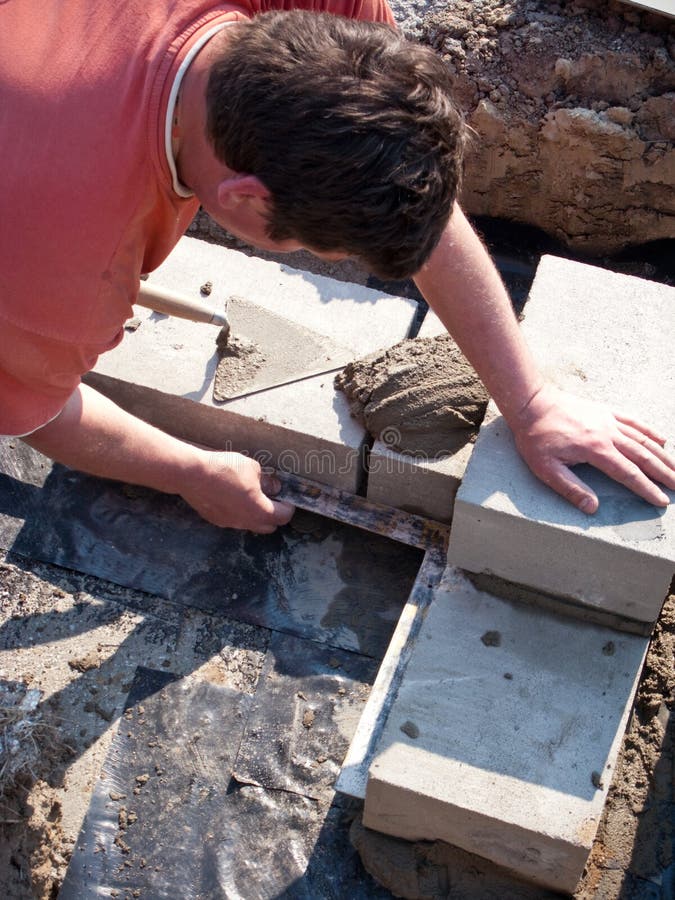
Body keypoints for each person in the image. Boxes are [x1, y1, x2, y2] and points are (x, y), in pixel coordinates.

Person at [1, 2, 673, 535]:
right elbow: (36, 411)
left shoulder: (329, 33)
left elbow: (408, 186)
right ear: (246, 197)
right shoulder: (60, 255)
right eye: (326, 250)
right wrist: (190, 471)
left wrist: (529, 402)